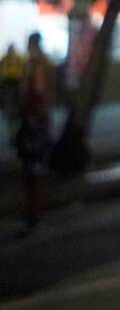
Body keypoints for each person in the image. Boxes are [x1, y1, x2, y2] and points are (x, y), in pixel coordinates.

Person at [16, 33, 55, 231]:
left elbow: (38, 94)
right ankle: (35, 210)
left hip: (35, 122)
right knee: (35, 169)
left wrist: (32, 114)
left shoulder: (36, 65)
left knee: (33, 169)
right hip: (38, 121)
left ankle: (35, 211)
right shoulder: (42, 63)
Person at [0, 43, 24, 125]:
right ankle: (7, 110)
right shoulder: (5, 58)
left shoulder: (17, 57)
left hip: (15, 80)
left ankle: (14, 111)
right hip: (7, 80)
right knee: (5, 95)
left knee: (15, 96)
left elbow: (22, 68)